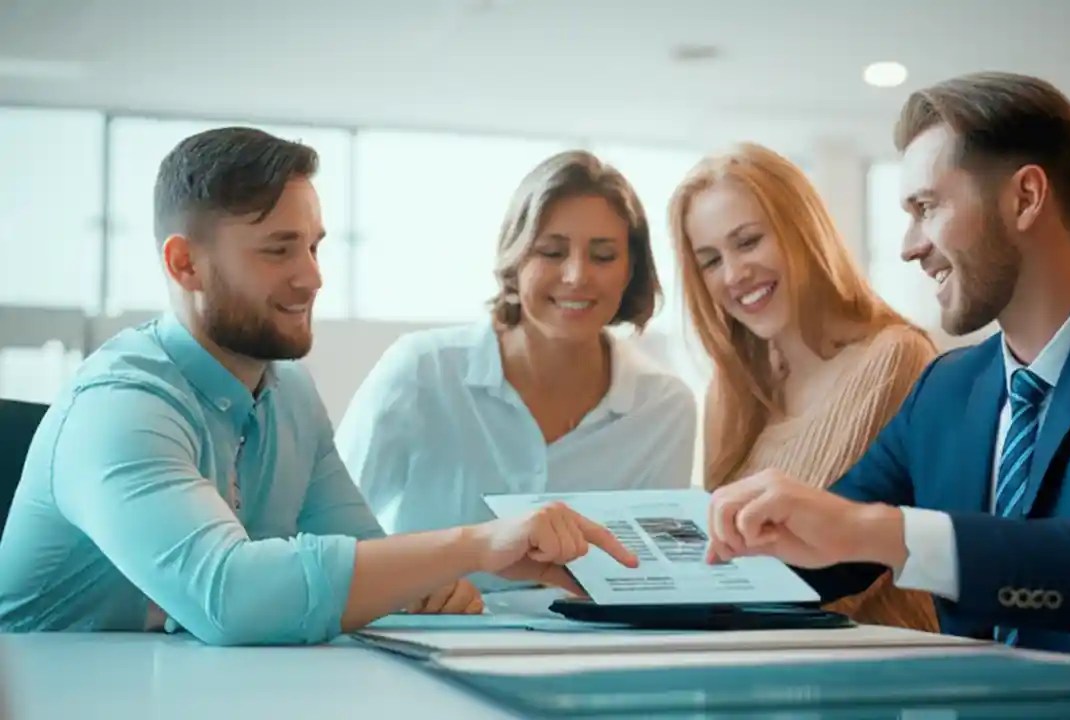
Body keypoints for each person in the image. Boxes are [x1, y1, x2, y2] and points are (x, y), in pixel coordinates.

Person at [705, 72, 1070, 676]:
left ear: (1025, 197)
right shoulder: (948, 389)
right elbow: (815, 554)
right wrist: (629, 561)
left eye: (926, 207)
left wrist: (888, 533)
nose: (909, 246)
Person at [0, 128, 637, 644]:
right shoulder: (119, 406)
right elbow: (231, 597)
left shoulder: (288, 393)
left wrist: (438, 577)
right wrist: (473, 544)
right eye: (279, 251)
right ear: (184, 263)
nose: (312, 278)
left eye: (314, 247)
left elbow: (361, 557)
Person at [336, 150, 695, 589]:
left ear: (631, 271)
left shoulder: (663, 408)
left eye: (603, 256)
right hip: (424, 638)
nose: (576, 275)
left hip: (590, 650)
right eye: (551, 251)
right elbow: (329, 538)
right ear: (515, 257)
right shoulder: (421, 371)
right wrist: (415, 586)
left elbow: (655, 578)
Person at [668, 142, 938, 631]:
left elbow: (836, 572)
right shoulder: (731, 390)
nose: (733, 274)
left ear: (802, 231)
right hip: (762, 662)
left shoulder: (895, 357)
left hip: (878, 671)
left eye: (748, 242)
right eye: (710, 260)